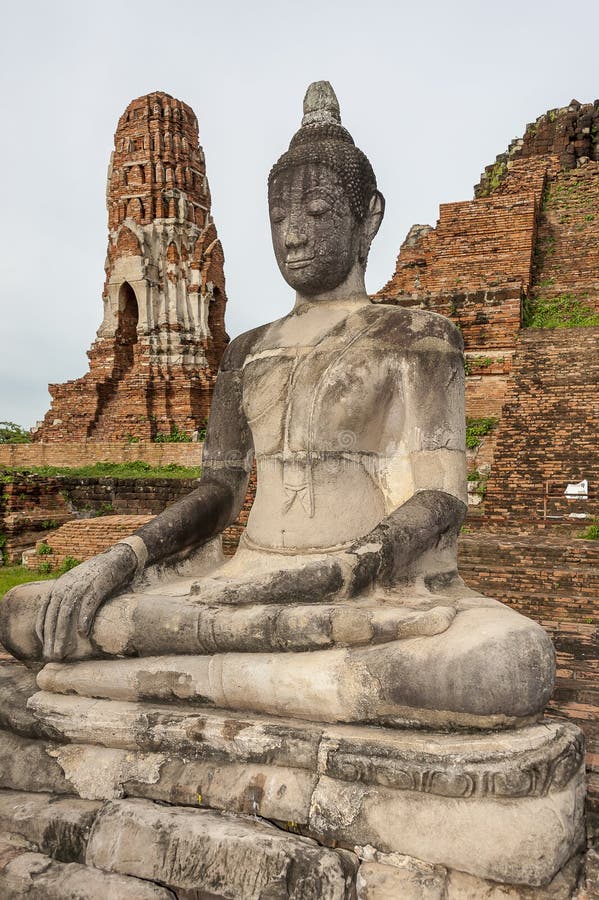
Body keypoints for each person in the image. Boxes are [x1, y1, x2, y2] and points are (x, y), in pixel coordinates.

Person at [0, 83, 555, 728]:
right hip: (243, 583)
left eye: (317, 213)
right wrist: (123, 556)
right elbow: (218, 491)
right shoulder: (245, 352)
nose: (292, 235)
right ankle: (278, 687)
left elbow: (440, 497)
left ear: (367, 216)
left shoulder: (417, 338)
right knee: (31, 615)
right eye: (277, 219)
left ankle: (207, 690)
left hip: (360, 590)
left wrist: (347, 567)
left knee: (506, 663)